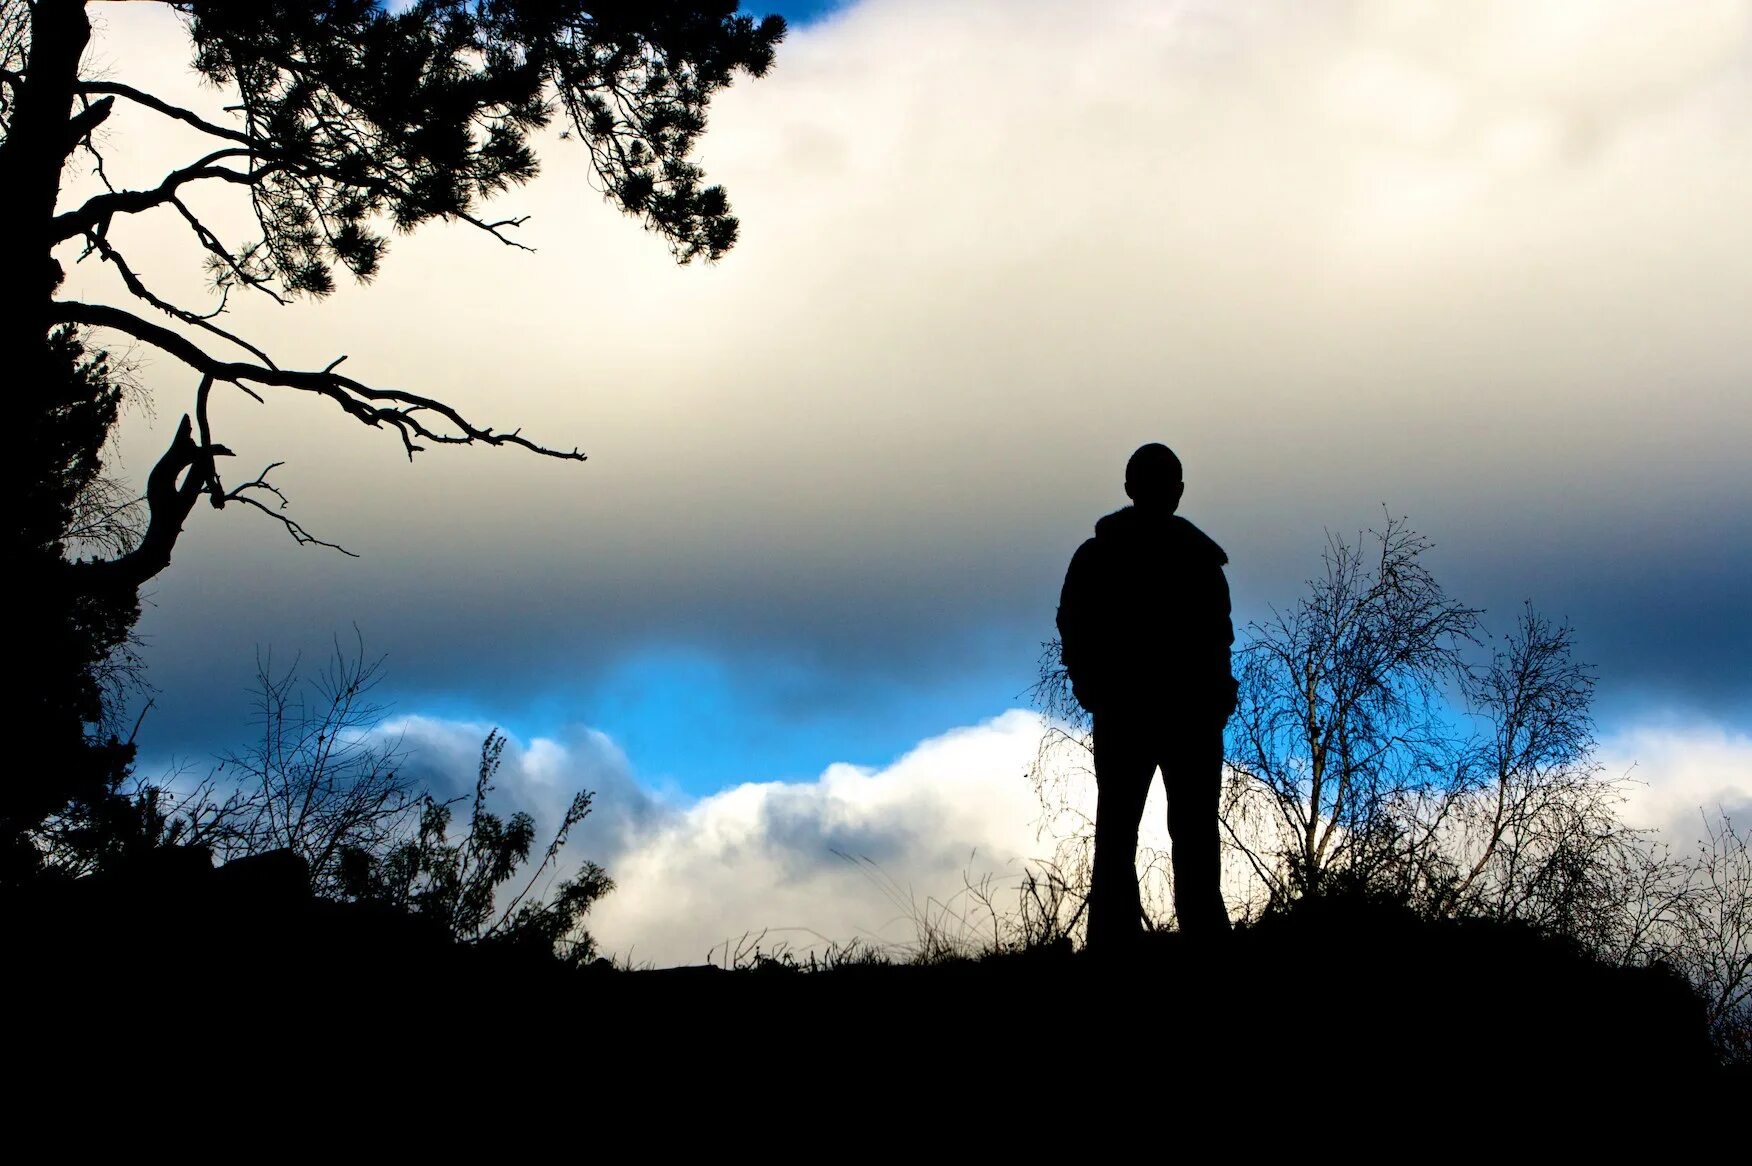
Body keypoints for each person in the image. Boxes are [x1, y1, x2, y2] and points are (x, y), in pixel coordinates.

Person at [1057, 443, 1237, 947]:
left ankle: (1167, 937)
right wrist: (1091, 686)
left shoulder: (1189, 560)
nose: (1166, 492)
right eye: (1160, 482)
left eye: (1168, 483)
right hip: (1150, 712)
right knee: (1145, 828)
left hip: (1174, 713)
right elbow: (1074, 624)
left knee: (1160, 828)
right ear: (1138, 489)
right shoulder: (1191, 558)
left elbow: (1217, 638)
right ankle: (1156, 938)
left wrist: (1218, 695)